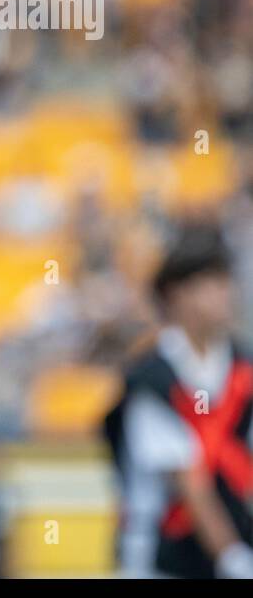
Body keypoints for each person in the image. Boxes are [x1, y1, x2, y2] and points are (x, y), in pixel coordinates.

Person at [104, 224, 253, 578]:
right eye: (211, 283)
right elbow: (189, 482)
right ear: (176, 294)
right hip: (162, 559)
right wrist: (235, 560)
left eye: (225, 282)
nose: (224, 294)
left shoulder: (242, 369)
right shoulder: (152, 378)